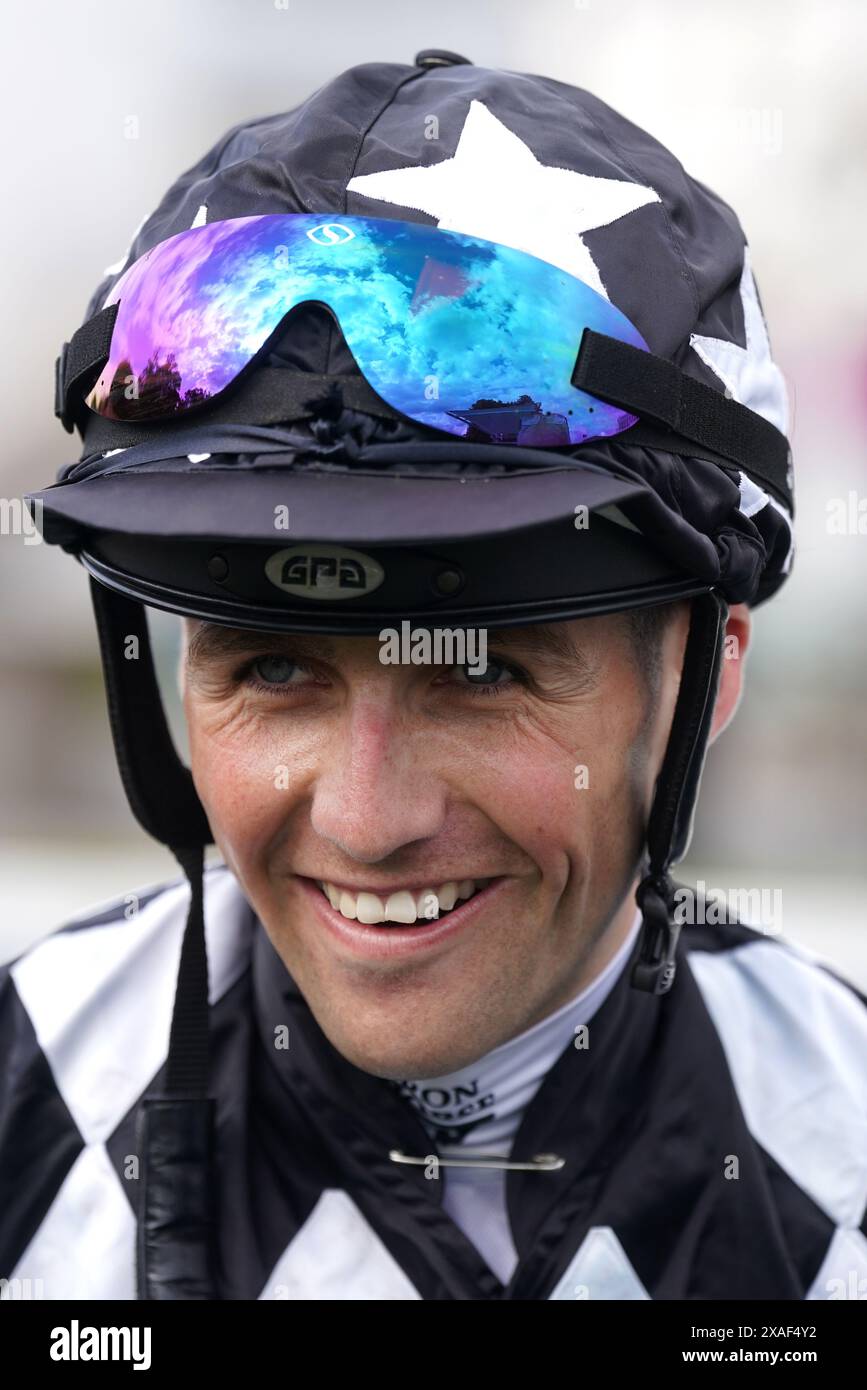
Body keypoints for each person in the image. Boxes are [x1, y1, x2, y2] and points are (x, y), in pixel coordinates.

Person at [3, 50, 865, 1303]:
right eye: (276, 664)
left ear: (708, 671)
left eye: (485, 674)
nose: (365, 818)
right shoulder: (28, 1107)